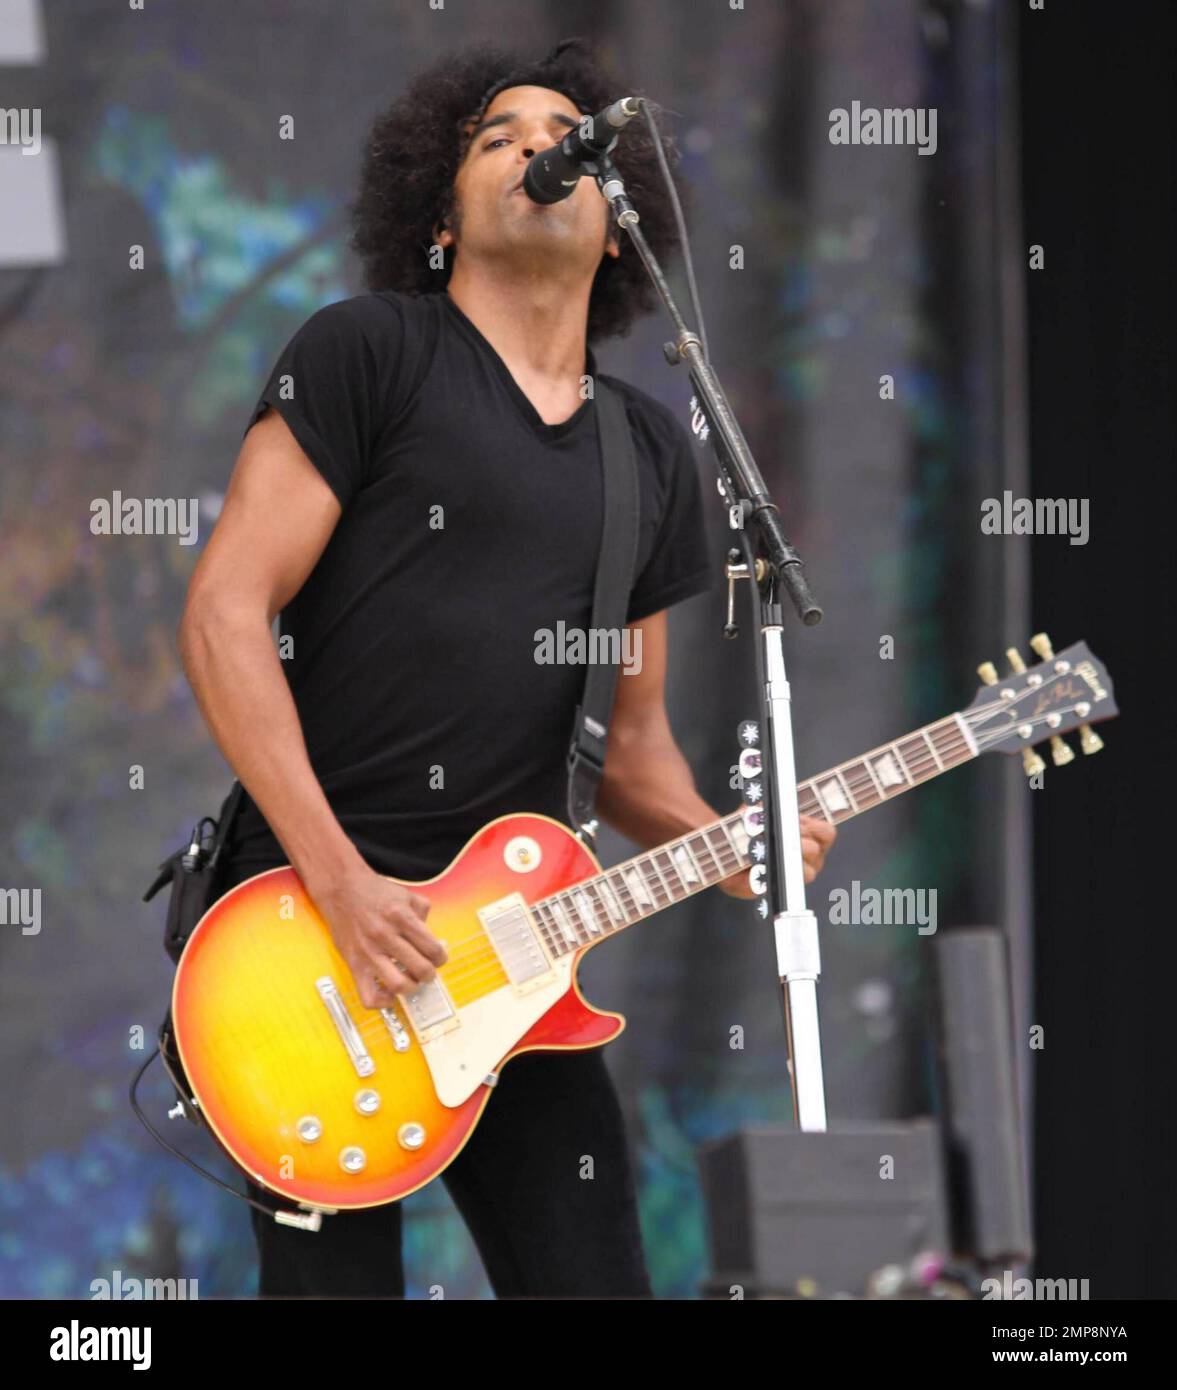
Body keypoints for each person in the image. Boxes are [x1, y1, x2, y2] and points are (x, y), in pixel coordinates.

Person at [178, 36, 835, 1299]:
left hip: (519, 958)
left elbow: (636, 755)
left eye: (567, 134)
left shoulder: (647, 453)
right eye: (499, 137)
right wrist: (342, 878)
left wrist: (729, 840)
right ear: (440, 216)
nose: (542, 146)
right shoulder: (368, 352)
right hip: (308, 932)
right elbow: (223, 612)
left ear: (611, 223)